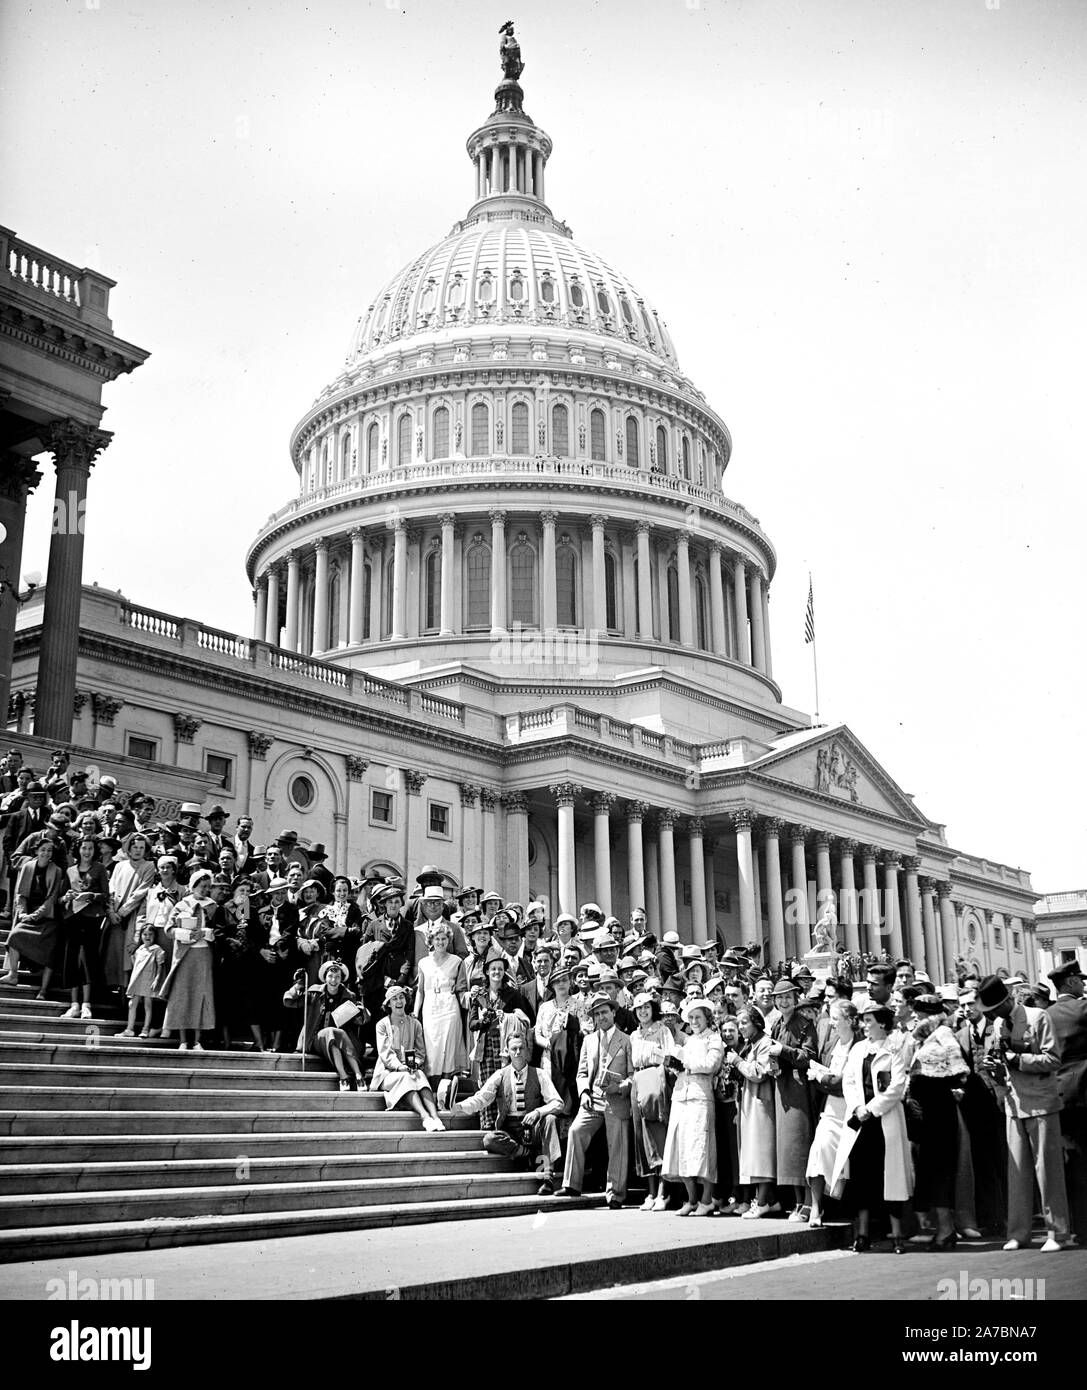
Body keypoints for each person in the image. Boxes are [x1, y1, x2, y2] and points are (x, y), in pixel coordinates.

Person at [976, 973, 1070, 1253]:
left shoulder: (1038, 1017)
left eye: (992, 1009)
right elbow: (999, 1062)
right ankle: (1018, 1232)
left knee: (1048, 1170)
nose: (990, 1014)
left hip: (1041, 1101)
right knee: (1016, 1172)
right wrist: (995, 1069)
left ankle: (1057, 1232)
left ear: (1005, 1001)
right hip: (1014, 1104)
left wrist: (1018, 1059)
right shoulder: (996, 1025)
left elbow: (1053, 1059)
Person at [831, 1000, 912, 1254]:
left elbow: (897, 1087)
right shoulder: (858, 1049)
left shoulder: (894, 1049)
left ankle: (898, 1236)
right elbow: (850, 1082)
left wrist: (871, 1109)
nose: (865, 1025)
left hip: (883, 1120)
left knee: (891, 1179)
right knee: (863, 1179)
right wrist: (857, 1107)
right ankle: (862, 1234)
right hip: (861, 1123)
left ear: (882, 1023)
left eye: (869, 1020)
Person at [454, 1032, 564, 1194]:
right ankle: (526, 1154)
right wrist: (459, 1107)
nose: (518, 1052)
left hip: (532, 1126)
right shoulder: (500, 1075)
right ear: (507, 1051)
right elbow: (481, 1099)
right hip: (510, 1129)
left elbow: (558, 1102)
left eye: (521, 1048)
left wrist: (538, 1112)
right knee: (490, 1139)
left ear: (527, 1050)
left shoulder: (539, 1074)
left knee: (550, 1119)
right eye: (514, 1049)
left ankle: (547, 1178)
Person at [558, 991, 634, 1208]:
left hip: (616, 1100)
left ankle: (616, 1194)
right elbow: (581, 1072)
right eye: (597, 1014)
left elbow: (632, 1075)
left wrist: (620, 1087)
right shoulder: (589, 1040)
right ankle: (572, 1184)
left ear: (613, 1012)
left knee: (617, 1145)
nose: (601, 1017)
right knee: (575, 1131)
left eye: (604, 1012)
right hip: (593, 1099)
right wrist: (583, 1093)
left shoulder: (626, 1040)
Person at [910, 995, 969, 1249]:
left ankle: (946, 1230)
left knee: (940, 1170)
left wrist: (951, 1085)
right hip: (927, 1113)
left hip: (939, 1112)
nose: (915, 1017)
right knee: (932, 1170)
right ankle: (942, 1228)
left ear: (931, 1015)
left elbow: (959, 1067)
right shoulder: (926, 1036)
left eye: (920, 1013)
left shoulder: (944, 1033)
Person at [661, 998, 724, 1216]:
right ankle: (692, 1199)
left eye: (698, 1017)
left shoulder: (714, 1039)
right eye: (691, 1018)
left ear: (707, 1018)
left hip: (700, 1097)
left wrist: (685, 1064)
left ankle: (707, 1200)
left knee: (701, 1148)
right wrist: (675, 1066)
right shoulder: (688, 1041)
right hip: (681, 1097)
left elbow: (710, 1065)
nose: (694, 1021)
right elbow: (684, 1067)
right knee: (682, 1148)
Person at [806, 999, 860, 1226]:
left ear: (849, 1021)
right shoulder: (831, 1046)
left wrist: (821, 1077)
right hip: (830, 1108)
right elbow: (826, 1078)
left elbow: (844, 1082)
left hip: (851, 1109)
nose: (832, 1024)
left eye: (836, 1019)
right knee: (819, 1150)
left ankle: (850, 1210)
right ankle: (816, 1207)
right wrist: (822, 1077)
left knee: (849, 1160)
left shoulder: (859, 1045)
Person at [768, 978, 817, 1220]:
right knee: (788, 1147)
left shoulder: (804, 1023)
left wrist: (783, 1052)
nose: (784, 1001)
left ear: (795, 998)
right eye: (780, 997)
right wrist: (774, 1064)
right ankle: (798, 1201)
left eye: (788, 996)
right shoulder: (777, 1024)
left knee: (801, 1143)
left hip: (799, 1085)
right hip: (782, 1086)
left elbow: (809, 1055)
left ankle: (808, 1201)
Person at [1047, 960, 1087, 1241]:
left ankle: (1078, 1226)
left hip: (1060, 1094)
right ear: (1071, 982)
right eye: (1081, 980)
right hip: (1085, 1090)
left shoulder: (1046, 1014)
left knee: (1073, 1163)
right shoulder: (1083, 1008)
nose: (1084, 985)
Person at [283, 958, 368, 1089]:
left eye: (337, 977)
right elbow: (289, 1002)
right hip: (315, 1038)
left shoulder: (349, 996)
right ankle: (347, 1075)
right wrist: (298, 985)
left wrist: (360, 1012)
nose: (334, 980)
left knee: (334, 1035)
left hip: (340, 1040)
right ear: (325, 977)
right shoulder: (314, 992)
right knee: (331, 1032)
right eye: (330, 976)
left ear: (342, 979)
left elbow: (361, 1021)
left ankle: (353, 1076)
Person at [370, 985, 445, 1131]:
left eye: (401, 997)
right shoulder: (382, 1025)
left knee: (419, 1075)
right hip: (387, 1073)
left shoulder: (415, 1024)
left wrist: (415, 1064)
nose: (398, 1001)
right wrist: (400, 1066)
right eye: (394, 999)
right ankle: (425, 1117)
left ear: (406, 1000)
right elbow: (385, 1053)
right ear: (388, 1004)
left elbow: (420, 1052)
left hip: (410, 1070)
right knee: (405, 1077)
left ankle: (436, 1118)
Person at [468, 957, 532, 1128]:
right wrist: (484, 1020)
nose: (497, 972)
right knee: (487, 1083)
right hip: (486, 1045)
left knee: (505, 1084)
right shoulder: (479, 995)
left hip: (506, 1045)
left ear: (504, 972)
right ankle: (488, 1123)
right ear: (487, 971)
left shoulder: (512, 994)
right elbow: (472, 1024)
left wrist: (508, 1017)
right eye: (493, 969)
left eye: (500, 969)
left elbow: (524, 1018)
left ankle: (504, 1122)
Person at [159, 867, 218, 1051]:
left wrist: (206, 933)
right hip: (184, 954)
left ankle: (197, 1040)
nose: (204, 889)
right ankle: (183, 1040)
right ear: (193, 886)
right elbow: (169, 930)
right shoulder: (181, 905)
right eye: (201, 886)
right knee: (182, 994)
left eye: (208, 886)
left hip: (203, 955)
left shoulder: (213, 906)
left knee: (201, 994)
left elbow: (219, 930)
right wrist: (186, 934)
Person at [727, 1005, 777, 1217]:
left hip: (760, 1101)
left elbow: (759, 1073)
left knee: (761, 1152)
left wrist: (737, 1061)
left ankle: (763, 1201)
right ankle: (768, 1200)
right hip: (749, 1100)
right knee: (753, 1151)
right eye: (739, 1024)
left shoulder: (765, 1043)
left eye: (745, 1022)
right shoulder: (751, 1044)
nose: (741, 1027)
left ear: (756, 1022)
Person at [54, 834, 111, 1018]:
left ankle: (87, 1004)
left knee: (87, 959)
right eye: (84, 848)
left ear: (95, 851)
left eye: (90, 848)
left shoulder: (100, 868)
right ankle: (74, 1004)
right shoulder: (70, 870)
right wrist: (67, 898)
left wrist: (91, 896)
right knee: (72, 960)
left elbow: (105, 895)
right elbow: (60, 898)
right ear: (78, 849)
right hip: (72, 918)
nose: (87, 851)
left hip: (91, 918)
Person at [414, 921, 468, 1107]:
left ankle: (445, 1092)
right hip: (430, 1007)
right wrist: (415, 1011)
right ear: (431, 940)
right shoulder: (423, 962)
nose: (440, 942)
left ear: (448, 940)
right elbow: (420, 990)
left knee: (448, 1049)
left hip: (449, 1007)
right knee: (432, 1049)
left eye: (444, 938)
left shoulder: (457, 961)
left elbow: (461, 988)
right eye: (437, 938)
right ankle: (432, 1090)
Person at [3, 838, 65, 994]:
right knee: (15, 935)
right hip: (28, 913)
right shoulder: (28, 867)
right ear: (37, 851)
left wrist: (35, 916)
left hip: (48, 916)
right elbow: (21, 894)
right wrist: (23, 914)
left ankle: (44, 989)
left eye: (49, 850)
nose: (46, 853)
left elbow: (52, 898)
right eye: (43, 849)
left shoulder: (56, 870)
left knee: (51, 946)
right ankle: (13, 974)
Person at [629, 990, 673, 1211]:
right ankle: (651, 1191)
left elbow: (670, 1058)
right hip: (637, 1080)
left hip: (656, 1079)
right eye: (639, 1008)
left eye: (646, 1007)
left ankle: (664, 1192)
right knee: (641, 1136)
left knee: (658, 1135)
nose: (643, 1011)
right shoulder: (634, 1036)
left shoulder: (663, 1031)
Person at [103, 832, 156, 993]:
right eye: (135, 847)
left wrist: (122, 912)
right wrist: (111, 911)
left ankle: (125, 989)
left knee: (128, 952)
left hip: (131, 915)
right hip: (113, 915)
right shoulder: (120, 865)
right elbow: (111, 888)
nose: (138, 850)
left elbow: (140, 892)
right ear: (129, 848)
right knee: (112, 951)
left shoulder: (149, 866)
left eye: (141, 847)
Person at [533, 963, 582, 1116]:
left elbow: (586, 1030)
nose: (561, 984)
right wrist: (549, 1043)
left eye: (564, 980)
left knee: (569, 1095)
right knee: (551, 1095)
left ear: (570, 982)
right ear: (552, 985)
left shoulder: (578, 1005)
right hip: (549, 1056)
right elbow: (537, 1033)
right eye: (557, 981)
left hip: (570, 1058)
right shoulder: (545, 1007)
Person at [123, 924, 166, 1037]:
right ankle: (129, 1029)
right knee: (132, 1003)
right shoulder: (139, 949)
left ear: (155, 936)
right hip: (138, 980)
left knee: (148, 1004)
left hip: (149, 979)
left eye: (150, 934)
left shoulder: (157, 949)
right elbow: (135, 963)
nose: (147, 937)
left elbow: (160, 966)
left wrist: (157, 979)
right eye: (145, 934)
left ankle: (145, 1029)